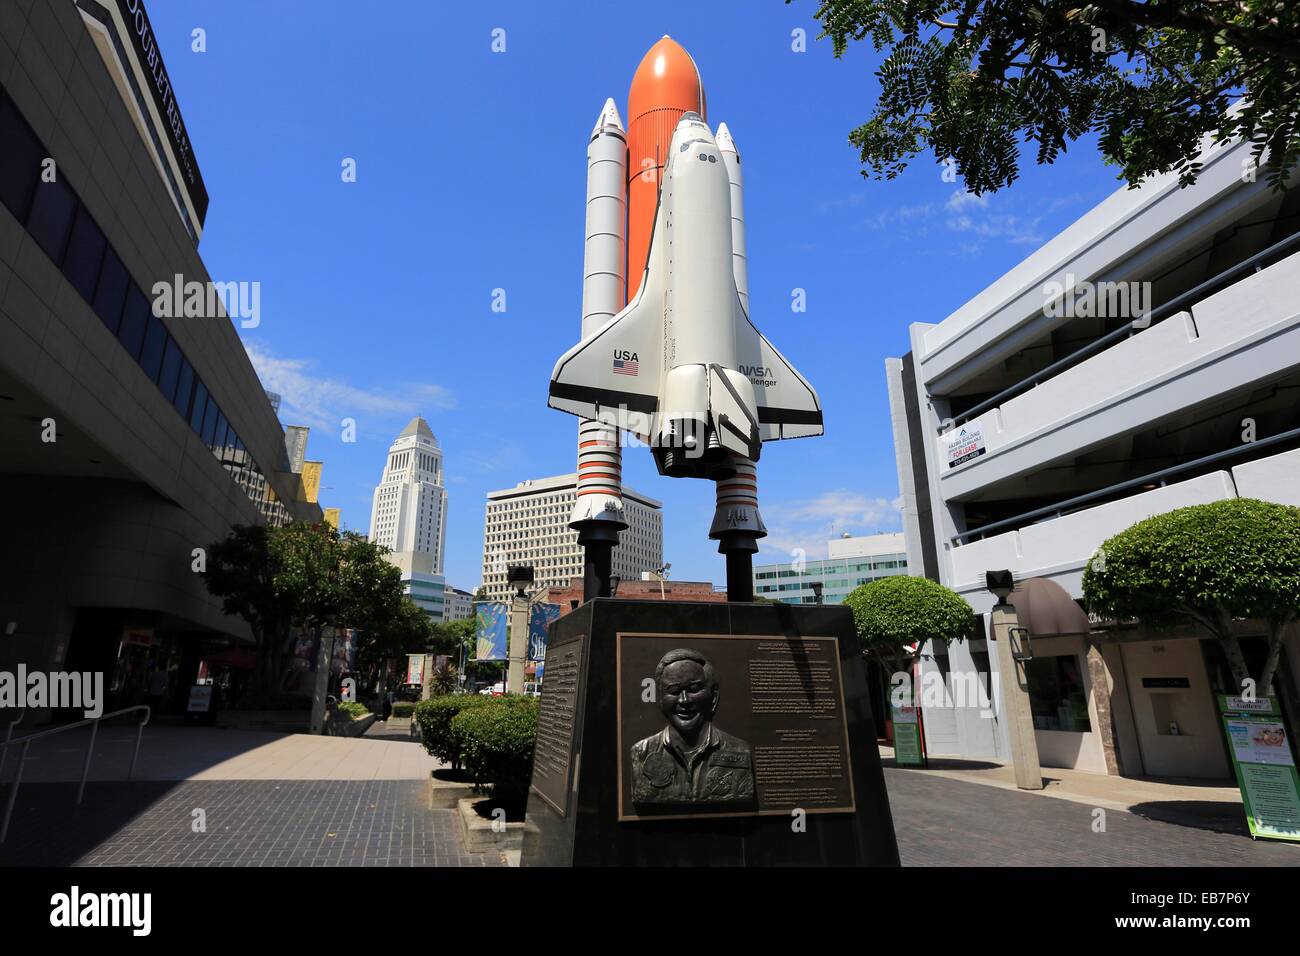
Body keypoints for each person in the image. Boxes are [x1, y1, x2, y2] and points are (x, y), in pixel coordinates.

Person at [630, 648, 755, 808]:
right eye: (673, 691)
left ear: (714, 697)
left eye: (694, 689)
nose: (684, 701)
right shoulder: (641, 753)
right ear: (660, 699)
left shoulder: (739, 750)